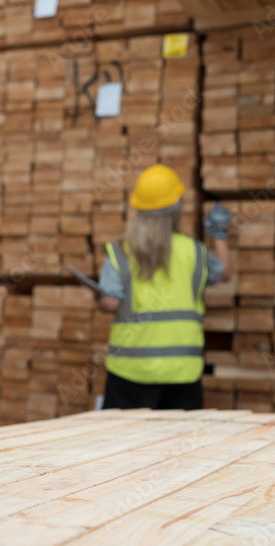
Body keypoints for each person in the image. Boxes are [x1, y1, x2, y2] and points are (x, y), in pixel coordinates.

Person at [96, 164, 231, 410]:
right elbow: (223, 272)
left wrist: (99, 296)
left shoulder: (120, 252)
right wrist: (219, 235)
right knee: (177, 447)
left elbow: (111, 302)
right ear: (176, 208)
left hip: (130, 371)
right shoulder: (195, 252)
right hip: (182, 372)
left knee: (124, 444)